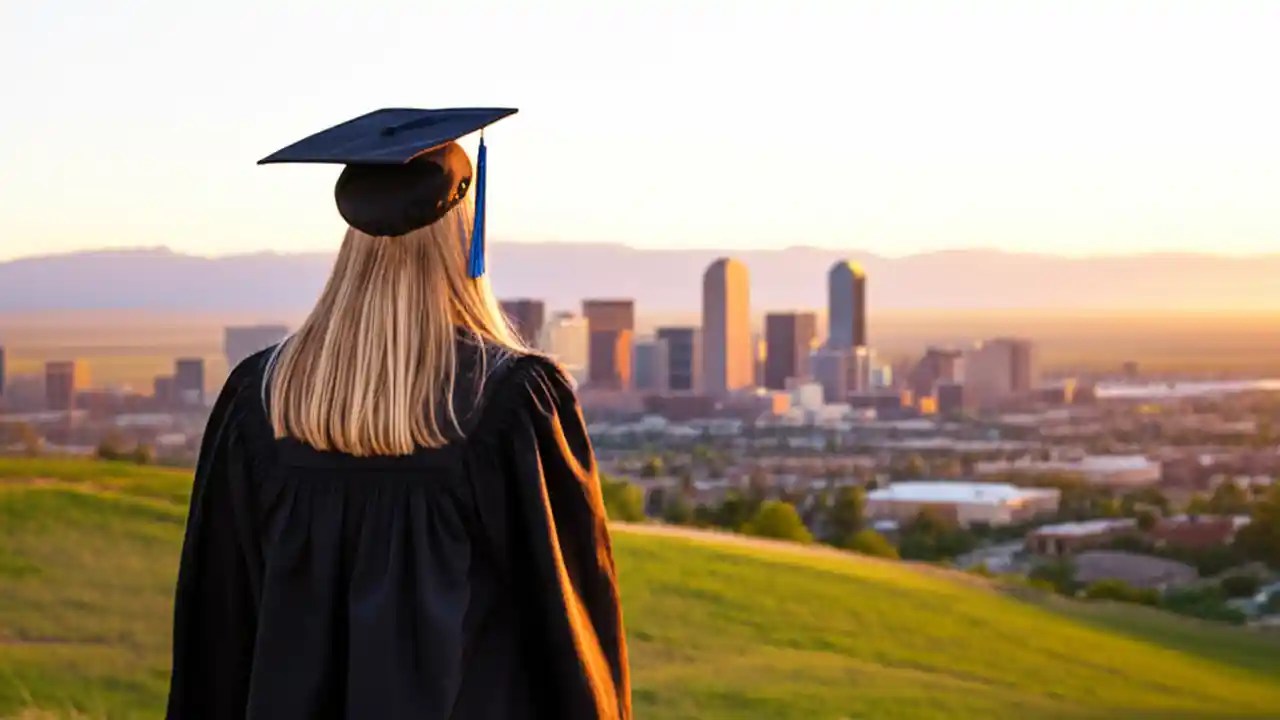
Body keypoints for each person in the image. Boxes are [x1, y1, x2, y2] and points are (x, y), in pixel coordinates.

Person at [166, 108, 630, 719]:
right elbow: (571, 640)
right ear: (463, 236)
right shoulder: (514, 402)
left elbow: (215, 641)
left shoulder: (260, 401)